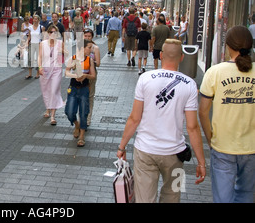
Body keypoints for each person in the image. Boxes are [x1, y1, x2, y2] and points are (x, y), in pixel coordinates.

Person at [117, 39, 206, 203]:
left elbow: (134, 118)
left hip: (145, 151)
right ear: (181, 58)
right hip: (176, 154)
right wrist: (201, 162)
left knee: (144, 199)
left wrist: (122, 146)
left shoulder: (145, 78)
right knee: (173, 196)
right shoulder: (190, 85)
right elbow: (193, 127)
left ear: (161, 55)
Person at [198, 26, 255, 203]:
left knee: (223, 198)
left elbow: (203, 112)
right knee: (246, 194)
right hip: (251, 146)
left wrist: (210, 138)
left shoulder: (215, 72)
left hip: (222, 145)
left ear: (228, 46)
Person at [65, 40, 96, 147]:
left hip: (84, 89)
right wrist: (75, 76)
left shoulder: (89, 60)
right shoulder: (73, 58)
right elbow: (67, 72)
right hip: (73, 88)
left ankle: (82, 136)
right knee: (69, 111)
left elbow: (93, 75)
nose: (91, 50)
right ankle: (76, 125)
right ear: (82, 48)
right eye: (89, 47)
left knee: (83, 112)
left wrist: (85, 76)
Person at [38, 24, 64, 125]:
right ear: (48, 33)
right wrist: (39, 67)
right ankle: (48, 109)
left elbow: (65, 55)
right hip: (45, 69)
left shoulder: (60, 43)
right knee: (46, 91)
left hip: (57, 69)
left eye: (54, 32)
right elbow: (39, 57)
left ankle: (53, 116)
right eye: (50, 32)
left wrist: (62, 52)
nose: (52, 34)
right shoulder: (43, 44)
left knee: (54, 91)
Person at [83, 29, 100, 127]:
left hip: (91, 73)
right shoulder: (80, 46)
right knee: (81, 96)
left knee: (90, 96)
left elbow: (98, 63)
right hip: (81, 73)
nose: (87, 38)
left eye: (89, 36)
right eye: (86, 36)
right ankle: (82, 116)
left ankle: (88, 119)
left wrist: (91, 61)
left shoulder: (95, 48)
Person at [26, 15, 42, 79]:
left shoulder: (41, 27)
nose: (34, 20)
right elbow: (29, 36)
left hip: (38, 44)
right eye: (34, 19)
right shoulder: (30, 27)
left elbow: (43, 36)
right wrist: (26, 43)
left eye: (36, 19)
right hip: (31, 44)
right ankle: (30, 74)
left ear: (38, 20)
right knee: (30, 58)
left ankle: (38, 73)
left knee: (38, 59)